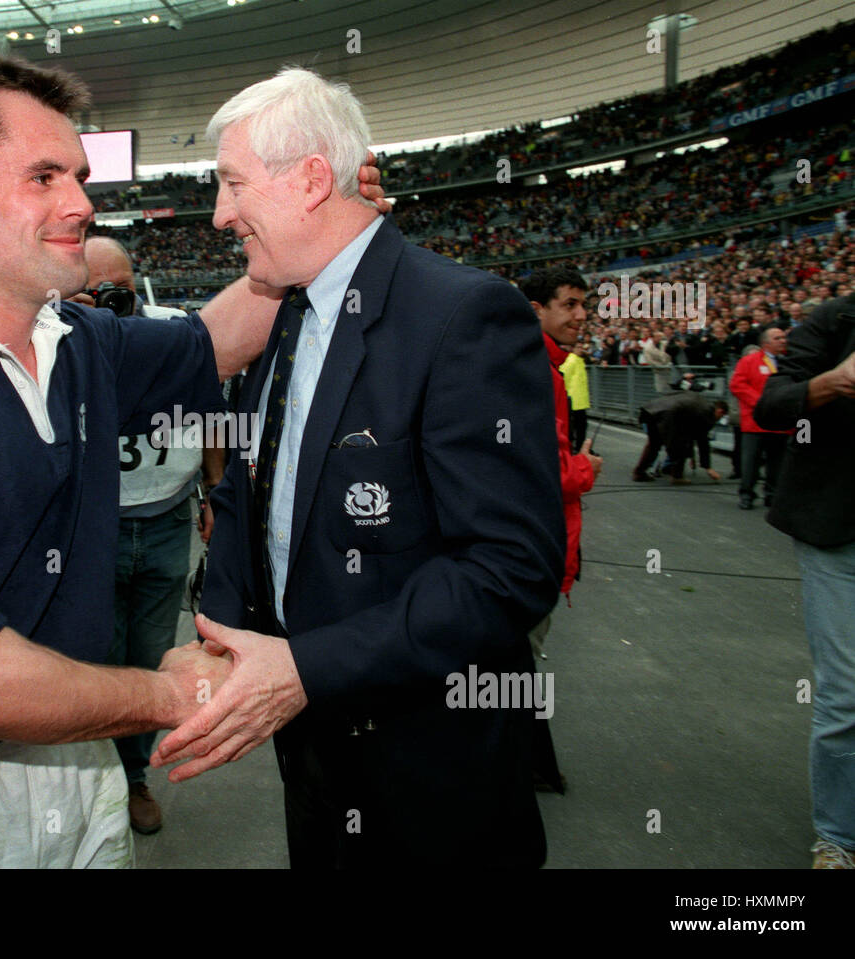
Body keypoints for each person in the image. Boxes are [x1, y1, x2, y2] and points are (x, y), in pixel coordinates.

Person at [0, 54, 387, 869]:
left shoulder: (76, 339)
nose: (81, 203)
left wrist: (315, 226)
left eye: (81, 176)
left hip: (74, 758)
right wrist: (170, 692)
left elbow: (217, 339)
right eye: (45, 177)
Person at [152, 67, 565, 868]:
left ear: (310, 181)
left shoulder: (462, 314)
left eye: (233, 184)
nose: (219, 214)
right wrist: (226, 637)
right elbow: (251, 485)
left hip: (428, 771)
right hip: (310, 753)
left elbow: (509, 569)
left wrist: (305, 668)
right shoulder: (285, 311)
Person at [79, 234, 225, 834]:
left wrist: (214, 490)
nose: (114, 298)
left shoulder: (171, 331)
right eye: (98, 288)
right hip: (94, 525)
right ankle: (102, 776)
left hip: (166, 516)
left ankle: (134, 775)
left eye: (121, 285)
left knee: (148, 655)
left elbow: (213, 413)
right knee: (97, 658)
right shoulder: (61, 335)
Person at [754, 291, 855, 868]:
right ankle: (838, 839)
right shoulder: (834, 319)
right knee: (845, 693)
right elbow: (772, 405)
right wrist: (832, 382)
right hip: (835, 529)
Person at [522, 266, 602, 662]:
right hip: (530, 548)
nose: (581, 315)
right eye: (569, 304)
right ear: (537, 310)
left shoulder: (539, 361)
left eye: (584, 305)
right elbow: (540, 471)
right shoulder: (534, 368)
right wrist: (586, 468)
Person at [730, 325, 791, 509]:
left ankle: (772, 494)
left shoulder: (789, 361)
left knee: (777, 462)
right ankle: (747, 494)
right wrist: (762, 403)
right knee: (751, 462)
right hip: (756, 421)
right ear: (765, 343)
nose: (783, 341)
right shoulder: (749, 361)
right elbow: (737, 385)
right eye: (777, 338)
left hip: (781, 422)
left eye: (783, 338)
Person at [631, 392, 727, 484]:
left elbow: (692, 434)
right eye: (721, 417)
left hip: (651, 410)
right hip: (668, 415)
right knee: (680, 445)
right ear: (720, 411)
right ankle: (677, 476)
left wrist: (692, 457)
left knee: (654, 444)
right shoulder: (707, 414)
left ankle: (639, 472)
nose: (719, 420)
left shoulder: (700, 403)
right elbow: (702, 441)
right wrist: (708, 467)